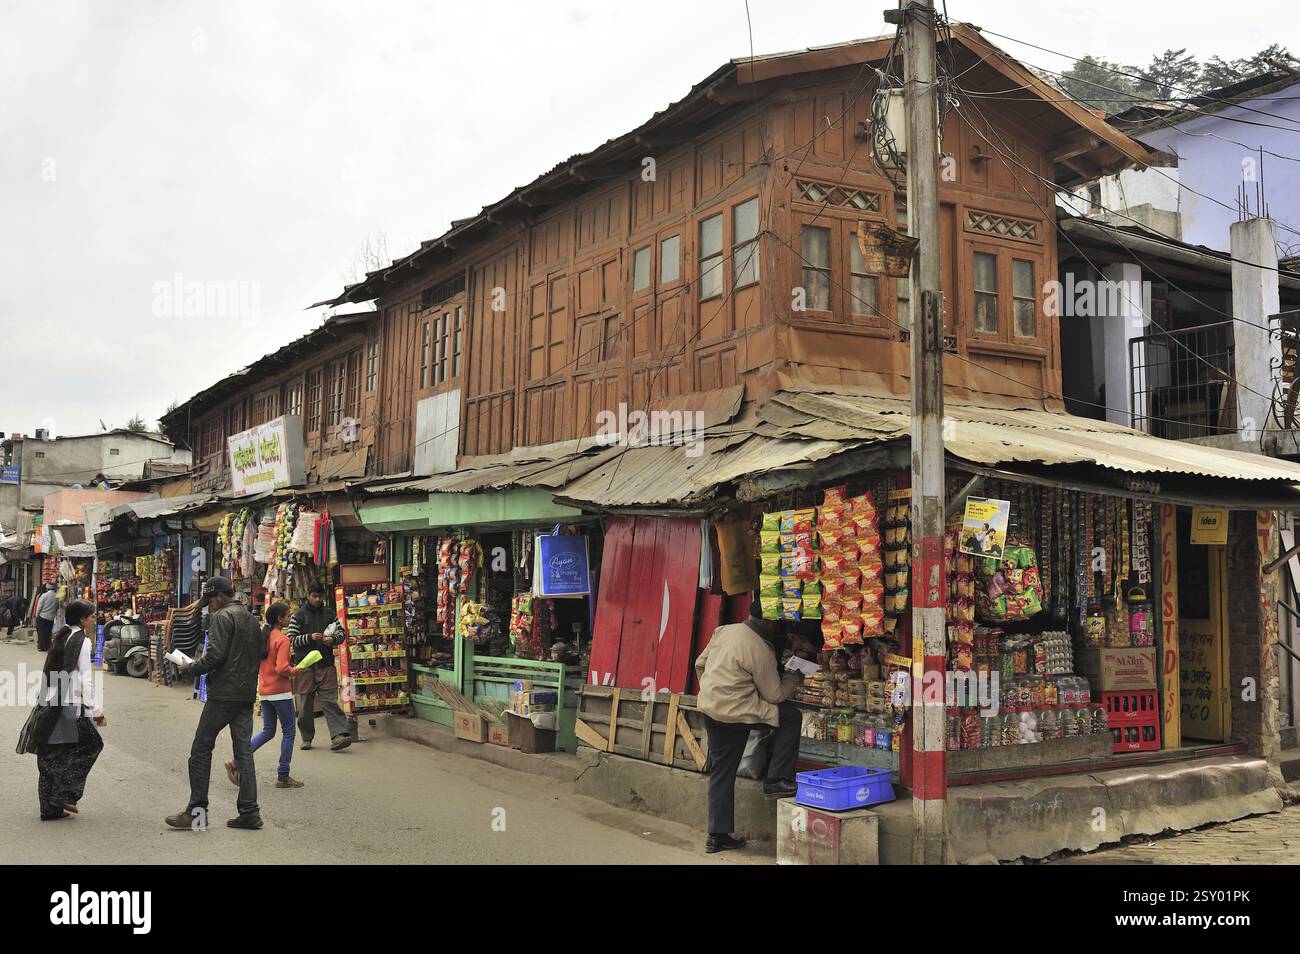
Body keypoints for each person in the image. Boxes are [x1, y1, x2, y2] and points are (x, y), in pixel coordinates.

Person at [693, 595, 804, 854]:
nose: (776, 628)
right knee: (790, 716)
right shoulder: (759, 647)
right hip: (736, 712)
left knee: (722, 771)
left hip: (711, 707)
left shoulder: (724, 630)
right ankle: (776, 779)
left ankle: (716, 837)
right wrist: (793, 677)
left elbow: (700, 664)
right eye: (775, 623)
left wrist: (713, 691)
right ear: (767, 622)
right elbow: (775, 695)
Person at [165, 576, 265, 831]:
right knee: (243, 753)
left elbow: (216, 655)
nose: (209, 605)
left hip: (224, 694)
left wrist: (191, 667)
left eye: (209, 599)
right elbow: (260, 653)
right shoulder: (251, 618)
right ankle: (250, 812)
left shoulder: (223, 616)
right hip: (245, 693)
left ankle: (196, 813)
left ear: (219, 596)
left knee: (200, 749)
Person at [35, 599, 106, 820]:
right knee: (91, 744)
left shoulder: (63, 635)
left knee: (51, 753)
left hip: (52, 700)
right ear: (82, 620)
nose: (94, 619)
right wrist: (95, 709)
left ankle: (50, 808)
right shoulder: (81, 641)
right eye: (92, 616)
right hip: (68, 703)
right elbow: (85, 677)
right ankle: (65, 794)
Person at [230, 602, 304, 789]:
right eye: (288, 616)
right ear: (280, 619)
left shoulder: (264, 637)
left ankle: (236, 760)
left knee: (267, 731)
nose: (290, 618)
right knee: (289, 733)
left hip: (264, 691)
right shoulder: (282, 639)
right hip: (280, 692)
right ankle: (283, 775)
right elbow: (282, 668)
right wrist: (297, 670)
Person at [288, 583, 357, 751]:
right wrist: (309, 637)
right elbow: (291, 639)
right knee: (305, 705)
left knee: (330, 701)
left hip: (326, 665)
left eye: (320, 597)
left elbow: (341, 634)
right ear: (309, 596)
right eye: (314, 596)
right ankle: (306, 737)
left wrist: (332, 640)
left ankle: (339, 735)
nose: (318, 600)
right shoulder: (298, 615)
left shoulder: (329, 614)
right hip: (305, 667)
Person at [34, 583, 59, 652]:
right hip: (51, 617)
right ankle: (48, 646)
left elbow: (39, 606)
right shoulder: (57, 596)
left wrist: (37, 614)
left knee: (41, 632)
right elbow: (57, 607)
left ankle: (42, 646)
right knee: (48, 632)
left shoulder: (44, 595)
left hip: (42, 616)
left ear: (47, 589)